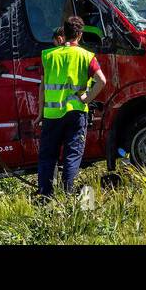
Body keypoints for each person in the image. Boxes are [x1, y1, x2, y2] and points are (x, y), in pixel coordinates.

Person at [38, 15, 106, 197]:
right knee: (72, 156)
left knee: (47, 157)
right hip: (76, 114)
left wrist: (39, 113)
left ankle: (45, 197)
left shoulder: (48, 56)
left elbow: (42, 88)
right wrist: (87, 99)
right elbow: (102, 81)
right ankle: (67, 196)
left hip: (51, 115)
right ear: (80, 34)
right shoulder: (87, 56)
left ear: (65, 33)